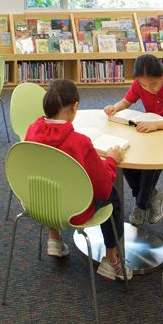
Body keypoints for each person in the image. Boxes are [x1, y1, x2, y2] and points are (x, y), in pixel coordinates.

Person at [25, 79, 132, 281]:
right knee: (113, 196)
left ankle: (54, 238)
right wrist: (111, 160)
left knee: (51, 176)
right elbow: (102, 188)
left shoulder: (32, 130)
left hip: (40, 202)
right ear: (74, 107)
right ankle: (111, 259)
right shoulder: (80, 142)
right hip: (74, 210)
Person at [104, 54, 163, 226]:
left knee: (151, 162)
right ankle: (153, 196)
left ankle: (141, 205)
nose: (149, 89)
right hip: (151, 132)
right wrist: (114, 107)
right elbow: (126, 101)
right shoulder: (139, 84)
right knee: (125, 155)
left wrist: (156, 125)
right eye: (143, 85)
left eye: (153, 84)